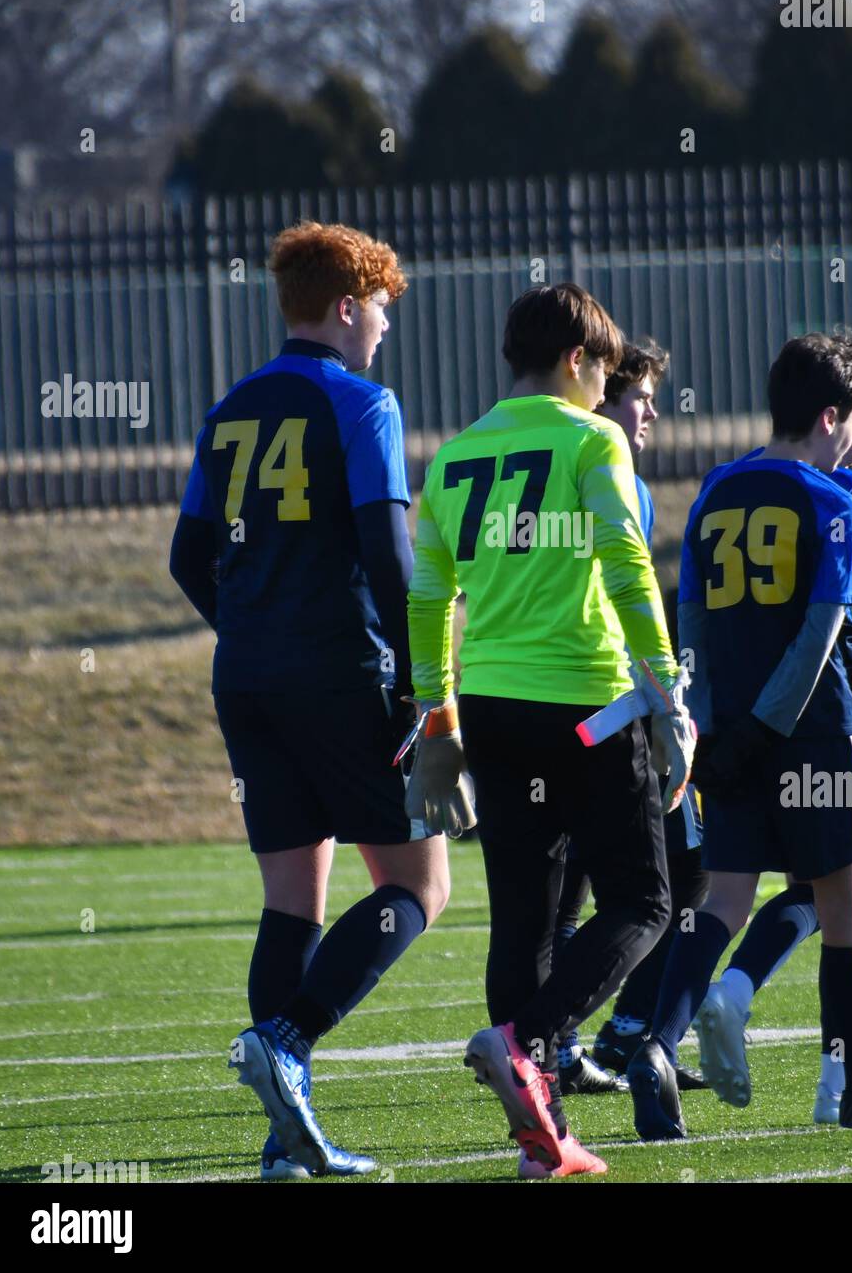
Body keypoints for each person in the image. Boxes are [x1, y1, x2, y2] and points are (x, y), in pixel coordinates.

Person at [169, 221, 450, 1179]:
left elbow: (185, 558)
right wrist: (421, 681)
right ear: (344, 307)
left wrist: (252, 627)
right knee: (418, 886)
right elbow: (389, 553)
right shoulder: (363, 404)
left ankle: (284, 1136)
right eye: (379, 308)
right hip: (343, 673)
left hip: (248, 679)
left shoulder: (230, 406)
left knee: (292, 900)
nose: (383, 327)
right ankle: (286, 1043)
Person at [627, 332, 852, 1139]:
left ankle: (657, 1046)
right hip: (811, 732)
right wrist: (767, 728)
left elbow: (688, 618)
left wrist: (703, 720)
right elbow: (818, 638)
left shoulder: (714, 490)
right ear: (832, 416)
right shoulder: (834, 501)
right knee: (843, 904)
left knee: (726, 895)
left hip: (730, 728)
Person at [406, 284, 695, 1177]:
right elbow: (625, 561)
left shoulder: (455, 455)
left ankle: (544, 1137)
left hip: (491, 705)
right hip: (586, 703)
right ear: (579, 361)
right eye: (604, 370)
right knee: (646, 902)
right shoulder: (591, 437)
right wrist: (670, 689)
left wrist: (438, 716)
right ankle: (524, 1045)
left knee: (523, 921)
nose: (606, 390)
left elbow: (426, 598)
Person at [550, 336, 709, 1094]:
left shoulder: (609, 471)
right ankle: (575, 1037)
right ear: (600, 394)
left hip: (593, 698)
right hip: (600, 702)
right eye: (638, 396)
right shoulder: (597, 463)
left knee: (655, 873)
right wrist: (663, 700)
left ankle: (595, 1036)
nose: (650, 412)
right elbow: (616, 595)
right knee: (645, 881)